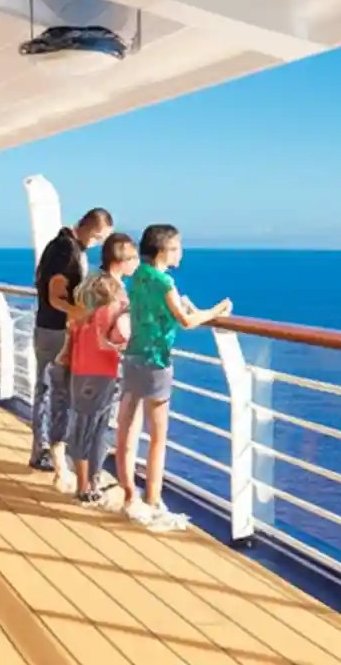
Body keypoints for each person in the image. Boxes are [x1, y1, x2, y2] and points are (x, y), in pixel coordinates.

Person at [116, 224, 232, 531]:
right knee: (157, 437)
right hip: (156, 361)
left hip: (133, 356)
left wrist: (188, 306)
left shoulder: (140, 275)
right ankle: (153, 501)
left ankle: (130, 497)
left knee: (128, 431)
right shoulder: (164, 281)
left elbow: (159, 311)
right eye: (178, 247)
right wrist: (218, 309)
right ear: (163, 250)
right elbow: (185, 321)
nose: (181, 253)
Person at [31, 208, 113, 476]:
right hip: (54, 330)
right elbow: (56, 296)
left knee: (51, 389)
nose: (98, 243)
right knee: (51, 390)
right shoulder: (66, 251)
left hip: (49, 327)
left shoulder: (63, 245)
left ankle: (46, 448)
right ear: (89, 228)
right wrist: (86, 314)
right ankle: (44, 449)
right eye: (99, 237)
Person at [66, 272, 131, 506]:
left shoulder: (82, 317)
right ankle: (86, 486)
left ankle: (87, 483)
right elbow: (117, 338)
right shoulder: (109, 312)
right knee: (95, 431)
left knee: (84, 429)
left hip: (80, 374)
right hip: (102, 376)